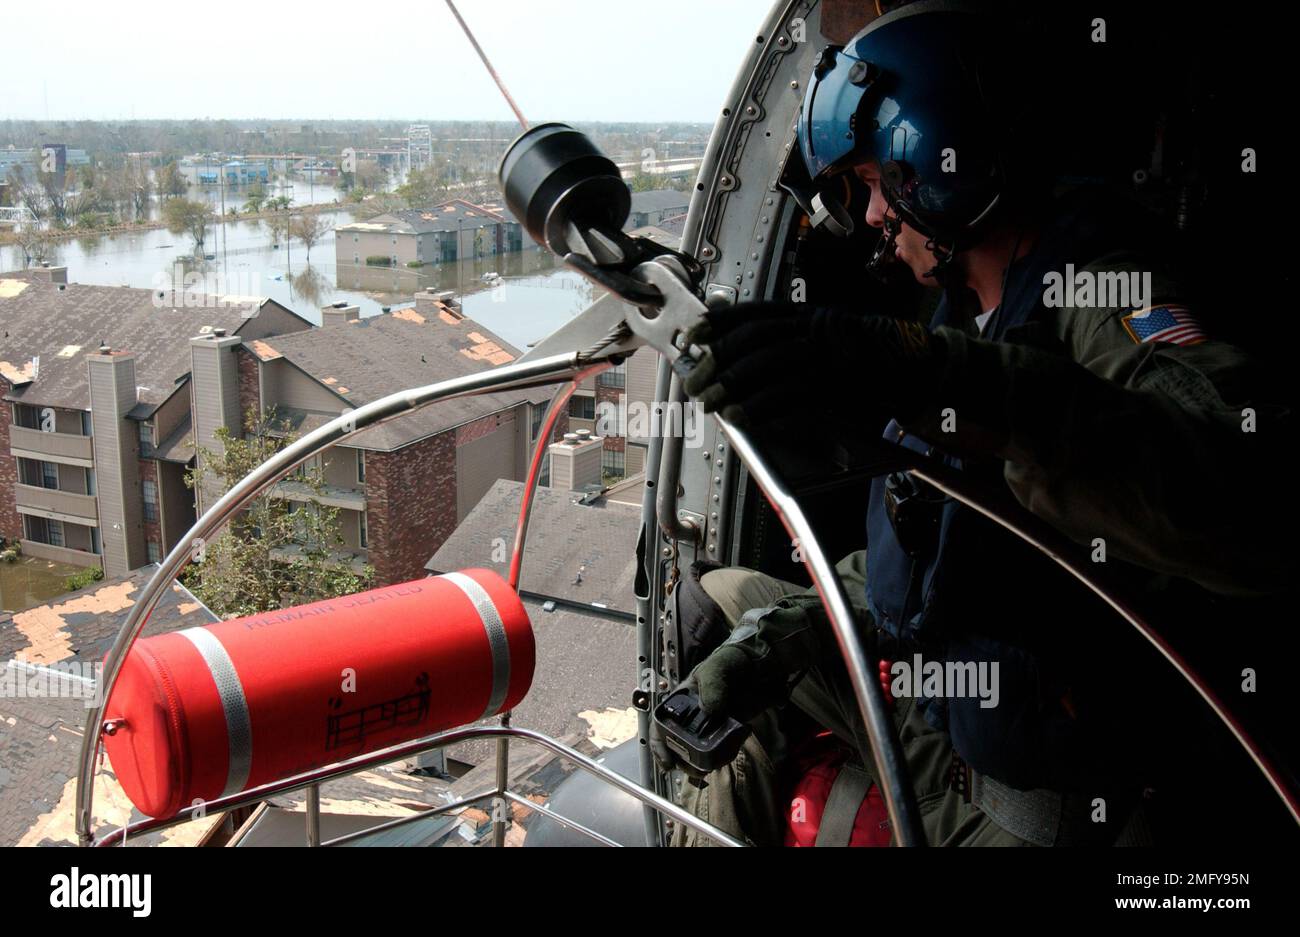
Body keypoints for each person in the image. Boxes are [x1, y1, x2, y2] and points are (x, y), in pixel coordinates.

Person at [669, 0, 1294, 846]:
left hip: (1050, 808)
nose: (876, 219)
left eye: (871, 185)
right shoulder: (968, 310)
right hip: (946, 717)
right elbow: (921, 558)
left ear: (932, 157)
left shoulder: (1099, 285)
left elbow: (1243, 491)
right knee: (720, 610)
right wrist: (775, 642)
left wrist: (920, 375)